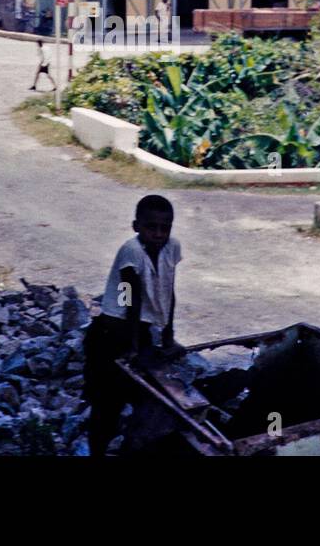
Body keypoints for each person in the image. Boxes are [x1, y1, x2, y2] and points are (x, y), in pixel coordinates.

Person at [82, 194, 182, 456]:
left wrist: (168, 335)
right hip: (112, 333)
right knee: (106, 404)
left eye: (165, 227)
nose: (158, 234)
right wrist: (132, 348)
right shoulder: (131, 251)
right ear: (136, 226)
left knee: (148, 398)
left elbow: (169, 289)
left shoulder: (172, 248)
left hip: (140, 331)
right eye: (151, 227)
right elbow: (131, 299)